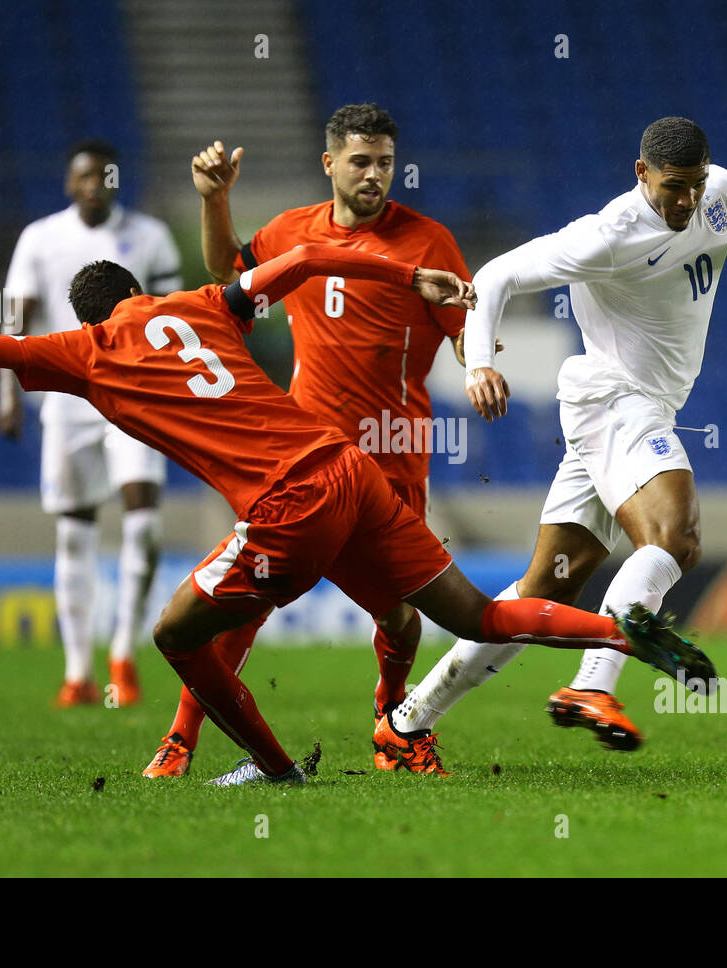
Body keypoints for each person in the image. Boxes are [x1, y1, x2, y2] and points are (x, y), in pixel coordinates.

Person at [0, 246, 713, 786]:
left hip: (288, 503)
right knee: (470, 613)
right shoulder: (201, 304)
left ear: (90, 314)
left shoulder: (91, 348)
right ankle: (624, 637)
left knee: (179, 629)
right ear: (143, 293)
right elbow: (305, 259)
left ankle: (276, 773)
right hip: (351, 470)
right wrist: (413, 278)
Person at [386, 116, 727, 757]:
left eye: (694, 185)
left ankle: (407, 722)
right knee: (677, 537)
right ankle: (592, 684)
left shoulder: (721, 192)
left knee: (545, 590)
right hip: (613, 397)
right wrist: (478, 364)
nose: (686, 200)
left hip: (635, 412)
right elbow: (496, 274)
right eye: (673, 187)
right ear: (642, 175)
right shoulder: (608, 236)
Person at [144, 104, 477, 778]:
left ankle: (393, 720)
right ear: (330, 164)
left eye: (384, 161)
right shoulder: (293, 232)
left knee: (399, 615)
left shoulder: (428, 241)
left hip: (392, 458)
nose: (375, 175)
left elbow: (461, 325)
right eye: (361, 161)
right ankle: (179, 742)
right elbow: (225, 275)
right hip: (302, 464)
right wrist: (216, 200)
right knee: (246, 604)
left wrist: (483, 363)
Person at [0, 139, 183, 707]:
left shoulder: (151, 236)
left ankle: (123, 654)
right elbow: (16, 318)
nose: (94, 185)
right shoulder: (40, 237)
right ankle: (78, 672)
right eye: (83, 176)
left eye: (104, 176)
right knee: (74, 533)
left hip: (133, 398)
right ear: (68, 182)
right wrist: (7, 391)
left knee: (144, 522)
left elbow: (174, 320)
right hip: (68, 399)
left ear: (116, 180)